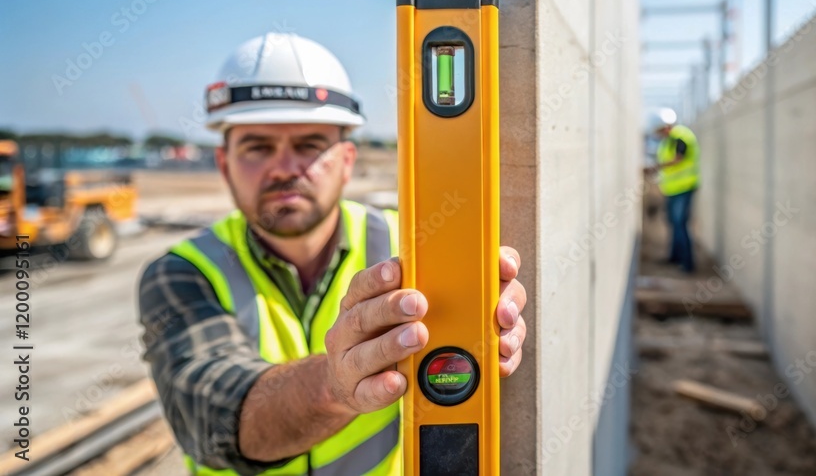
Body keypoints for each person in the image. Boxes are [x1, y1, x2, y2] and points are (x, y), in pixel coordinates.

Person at [138, 33, 527, 475]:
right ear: (224, 163)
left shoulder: (414, 244)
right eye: (258, 147)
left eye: (309, 145)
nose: (285, 168)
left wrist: (492, 327)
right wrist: (338, 383)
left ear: (346, 161)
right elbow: (211, 420)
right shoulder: (183, 272)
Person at [650, 109, 700, 273]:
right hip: (673, 188)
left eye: (659, 130)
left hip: (683, 187)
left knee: (680, 224)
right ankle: (675, 257)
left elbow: (679, 158)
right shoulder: (668, 140)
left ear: (666, 126)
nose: (658, 134)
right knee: (673, 222)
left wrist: (656, 167)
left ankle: (687, 263)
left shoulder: (680, 136)